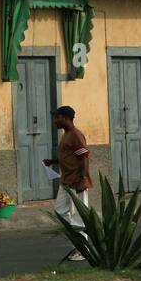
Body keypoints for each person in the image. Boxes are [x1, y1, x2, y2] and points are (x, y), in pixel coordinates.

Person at [52, 105, 92, 261]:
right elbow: (69, 156)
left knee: (79, 216)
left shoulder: (75, 135)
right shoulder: (66, 135)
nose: (55, 121)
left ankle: (82, 250)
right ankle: (76, 240)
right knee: (60, 211)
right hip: (66, 181)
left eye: (57, 117)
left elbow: (84, 157)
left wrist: (82, 179)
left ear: (65, 118)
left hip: (77, 182)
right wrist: (53, 161)